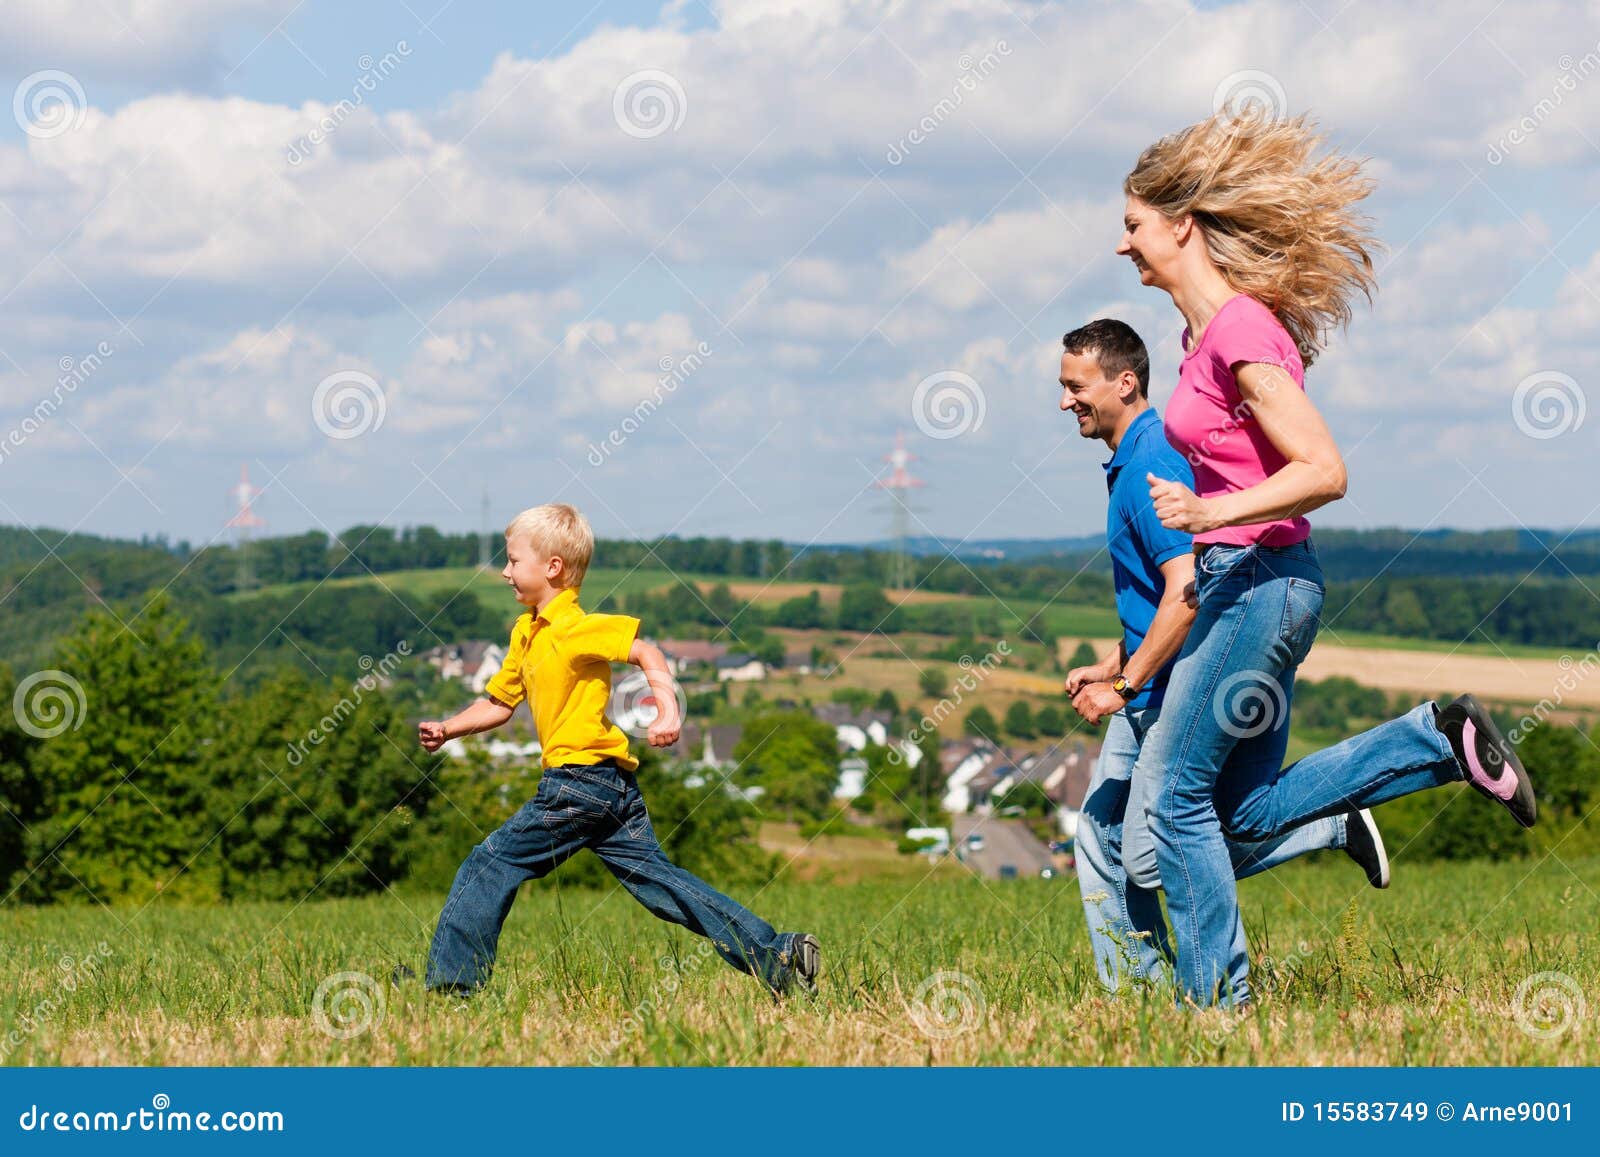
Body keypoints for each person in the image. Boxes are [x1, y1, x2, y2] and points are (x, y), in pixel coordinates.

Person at [1114, 110, 1536, 1007]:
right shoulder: (1203, 340)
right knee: (1242, 811)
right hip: (1253, 586)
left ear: (1181, 223)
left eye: (1134, 224)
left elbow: (1324, 470)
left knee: (1174, 800)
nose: (1124, 245)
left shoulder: (1239, 330)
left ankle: (1214, 1009)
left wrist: (1209, 511)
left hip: (1256, 584)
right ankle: (1438, 739)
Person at [1058, 318, 1388, 993]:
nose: (1065, 401)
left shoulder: (1149, 463)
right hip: (1144, 680)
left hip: (1163, 690)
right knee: (1099, 837)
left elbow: (1187, 593)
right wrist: (1113, 661)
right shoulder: (1132, 459)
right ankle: (1137, 993)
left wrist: (1124, 684)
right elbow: (1160, 593)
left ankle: (1325, 826)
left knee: (1154, 855)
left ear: (1125, 382)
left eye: (1076, 387)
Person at [413, 502, 819, 998]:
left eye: (514, 560)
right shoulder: (526, 632)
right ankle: (777, 955)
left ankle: (451, 986)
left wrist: (667, 709)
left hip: (576, 784)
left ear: (553, 567)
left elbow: (647, 651)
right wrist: (449, 728)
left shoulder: (574, 627)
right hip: (609, 788)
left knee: (489, 863)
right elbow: (499, 703)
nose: (504, 571)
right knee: (661, 884)